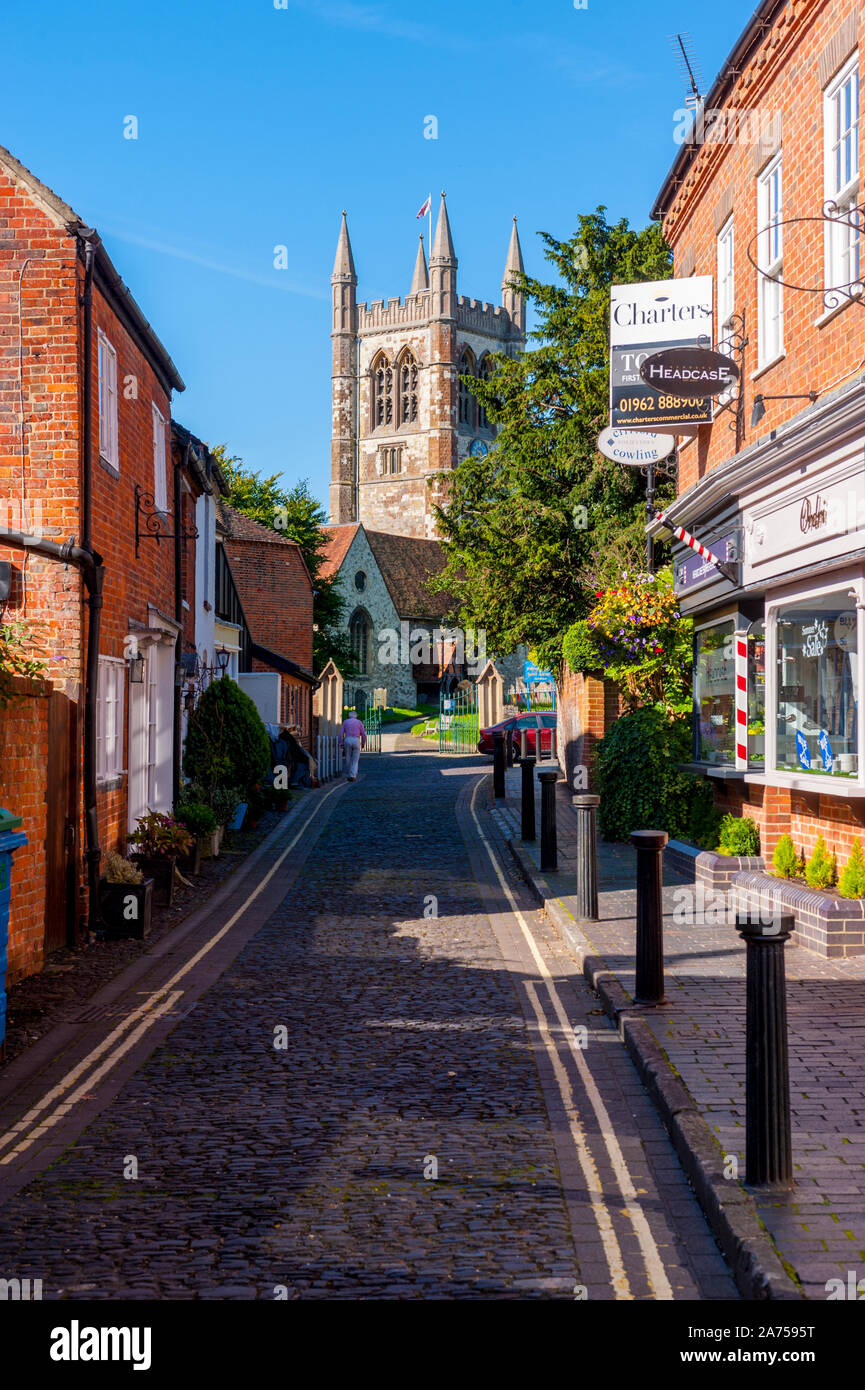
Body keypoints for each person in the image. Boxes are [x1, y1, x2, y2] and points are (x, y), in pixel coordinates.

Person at [339, 710, 366, 781]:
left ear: (349, 716)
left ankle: (349, 773)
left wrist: (341, 743)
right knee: (355, 759)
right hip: (356, 740)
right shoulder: (359, 722)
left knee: (348, 758)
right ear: (356, 716)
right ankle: (353, 775)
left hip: (348, 739)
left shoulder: (345, 722)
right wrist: (363, 743)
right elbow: (363, 734)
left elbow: (341, 733)